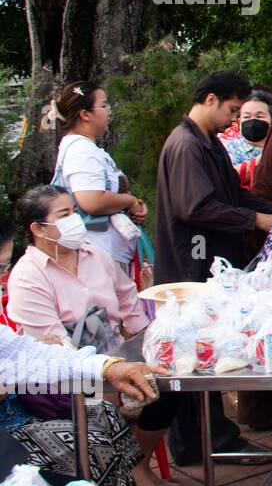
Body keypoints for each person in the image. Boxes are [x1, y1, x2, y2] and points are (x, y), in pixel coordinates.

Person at [5, 186, 181, 470]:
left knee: (170, 382)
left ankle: (139, 466)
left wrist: (151, 344)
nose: (75, 220)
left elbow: (128, 301)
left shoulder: (94, 254)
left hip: (114, 356)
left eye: (74, 212)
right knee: (107, 403)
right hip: (63, 377)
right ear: (38, 228)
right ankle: (137, 480)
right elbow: (56, 350)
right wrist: (107, 380)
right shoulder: (28, 276)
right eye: (64, 215)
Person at [154, 71, 272, 465]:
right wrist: (255, 221)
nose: (235, 120)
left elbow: (233, 193)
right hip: (191, 267)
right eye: (233, 110)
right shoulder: (186, 145)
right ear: (209, 100)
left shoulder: (208, 143)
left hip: (211, 266)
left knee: (202, 357)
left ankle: (211, 437)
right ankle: (200, 443)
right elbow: (197, 206)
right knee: (191, 360)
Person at [0, 317, 213, 486]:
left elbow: (23, 352)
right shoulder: (30, 283)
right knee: (87, 443)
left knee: (101, 411)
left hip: (20, 407)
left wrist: (108, 367)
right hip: (9, 434)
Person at [47, 82, 148, 277]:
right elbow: (92, 200)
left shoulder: (85, 148)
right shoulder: (81, 150)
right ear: (85, 114)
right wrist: (130, 201)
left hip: (106, 253)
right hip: (99, 255)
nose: (108, 111)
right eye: (103, 105)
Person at [220, 87, 272, 189]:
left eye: (259, 116)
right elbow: (225, 180)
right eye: (246, 117)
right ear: (239, 121)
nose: (253, 121)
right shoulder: (226, 149)